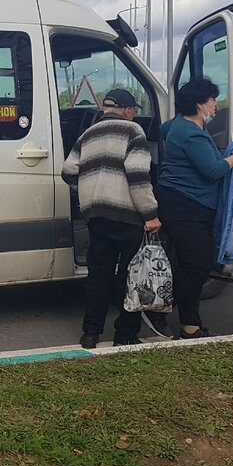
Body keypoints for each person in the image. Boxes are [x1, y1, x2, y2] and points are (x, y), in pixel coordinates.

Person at [61, 88, 162, 349]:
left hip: (97, 215)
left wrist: (90, 188)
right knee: (130, 276)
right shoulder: (133, 131)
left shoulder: (88, 134)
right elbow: (139, 175)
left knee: (98, 274)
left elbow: (68, 171)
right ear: (128, 111)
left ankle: (91, 334)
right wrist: (150, 214)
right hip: (128, 217)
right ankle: (124, 334)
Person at [158, 76, 233, 339]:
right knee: (198, 265)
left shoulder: (177, 125)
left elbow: (164, 130)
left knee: (190, 264)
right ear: (200, 104)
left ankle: (190, 325)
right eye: (212, 101)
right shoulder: (190, 133)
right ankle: (157, 309)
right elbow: (213, 170)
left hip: (186, 204)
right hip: (185, 206)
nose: (215, 106)